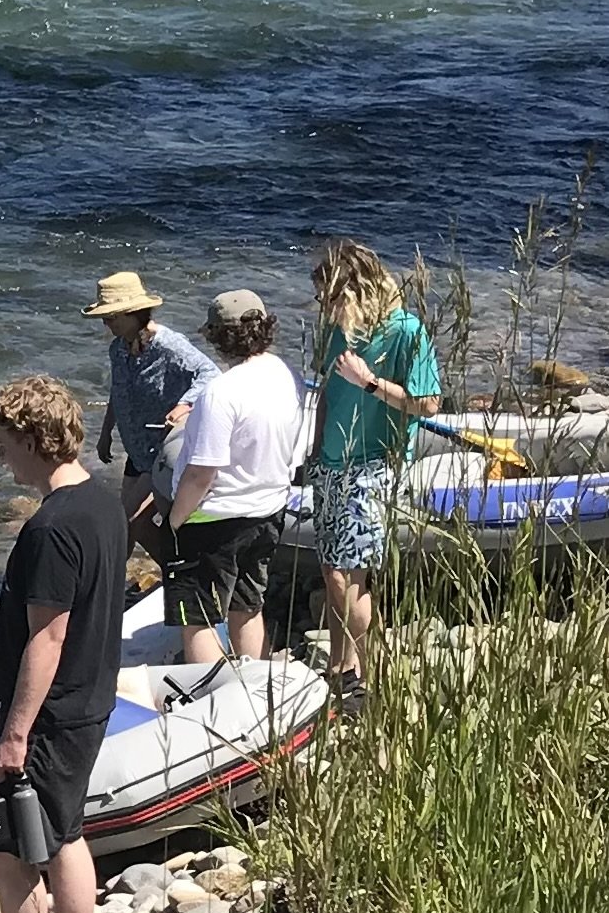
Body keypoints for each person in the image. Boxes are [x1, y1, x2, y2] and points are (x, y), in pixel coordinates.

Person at [0, 376, 127, 913]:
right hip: (90, 699)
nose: (1, 459)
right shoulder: (104, 505)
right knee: (65, 835)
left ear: (33, 440)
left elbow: (47, 637)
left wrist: (14, 734)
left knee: (11, 844)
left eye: (4, 444)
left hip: (49, 711)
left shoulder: (51, 529)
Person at [307, 238, 441, 706]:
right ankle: (340, 663)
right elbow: (326, 390)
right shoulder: (337, 329)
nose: (322, 304)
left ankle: (359, 673)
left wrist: (369, 381)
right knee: (331, 571)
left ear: (354, 288)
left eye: (328, 294)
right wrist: (314, 450)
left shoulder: (406, 331)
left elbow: (426, 402)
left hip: (371, 466)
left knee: (349, 576)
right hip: (329, 463)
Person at [167, 289, 304, 663]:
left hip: (215, 518)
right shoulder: (284, 374)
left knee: (198, 620)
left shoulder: (222, 392)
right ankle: (256, 691)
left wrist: (174, 521)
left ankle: (206, 705)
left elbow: (202, 472)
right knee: (248, 606)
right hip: (268, 509)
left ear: (218, 336)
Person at [86, 270, 214, 558]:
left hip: (163, 452)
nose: (106, 323)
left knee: (130, 521)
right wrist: (106, 433)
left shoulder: (168, 345)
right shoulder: (117, 349)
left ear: (133, 313)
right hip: (136, 450)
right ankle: (116, 589)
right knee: (125, 527)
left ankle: (176, 573)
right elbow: (118, 392)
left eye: (111, 317)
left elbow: (209, 373)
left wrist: (185, 405)